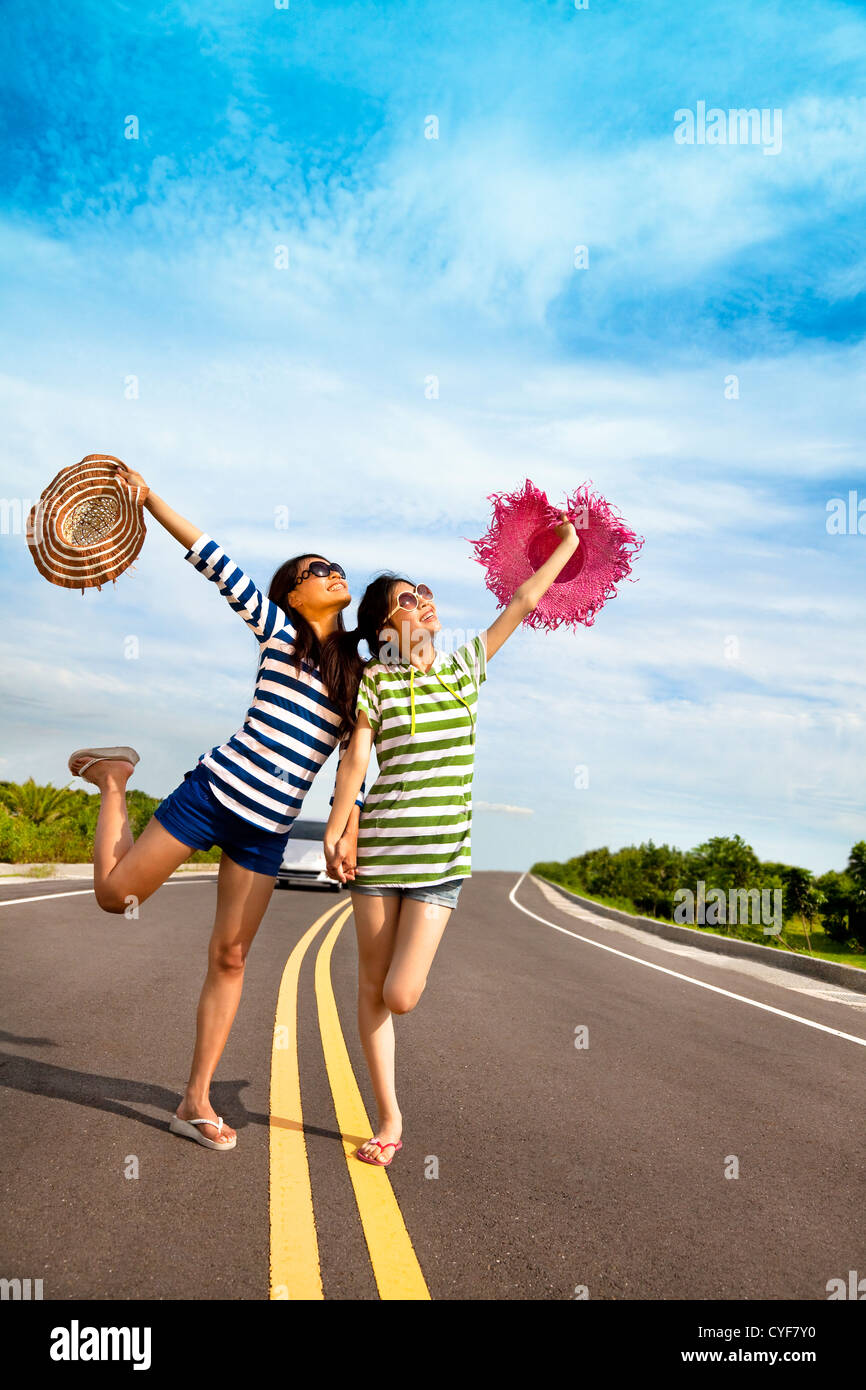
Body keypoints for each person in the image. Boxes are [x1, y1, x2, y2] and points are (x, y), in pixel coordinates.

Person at [68, 461, 365, 1150]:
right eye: (318, 567)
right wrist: (148, 498)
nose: (333, 572)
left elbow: (357, 759)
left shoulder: (359, 671)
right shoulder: (276, 630)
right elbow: (211, 557)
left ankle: (193, 1101)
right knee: (115, 897)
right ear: (293, 594)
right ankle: (115, 780)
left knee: (230, 958)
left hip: (265, 831)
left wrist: (346, 829)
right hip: (212, 796)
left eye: (338, 567)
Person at [323, 513, 579, 1166]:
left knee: (400, 996)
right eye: (407, 599)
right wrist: (338, 825)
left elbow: (522, 600)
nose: (423, 601)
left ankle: (388, 1109)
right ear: (386, 629)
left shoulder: (464, 670)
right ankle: (388, 1117)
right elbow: (355, 761)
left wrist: (569, 546)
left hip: (438, 865)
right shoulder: (378, 683)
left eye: (424, 591)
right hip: (379, 856)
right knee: (369, 987)